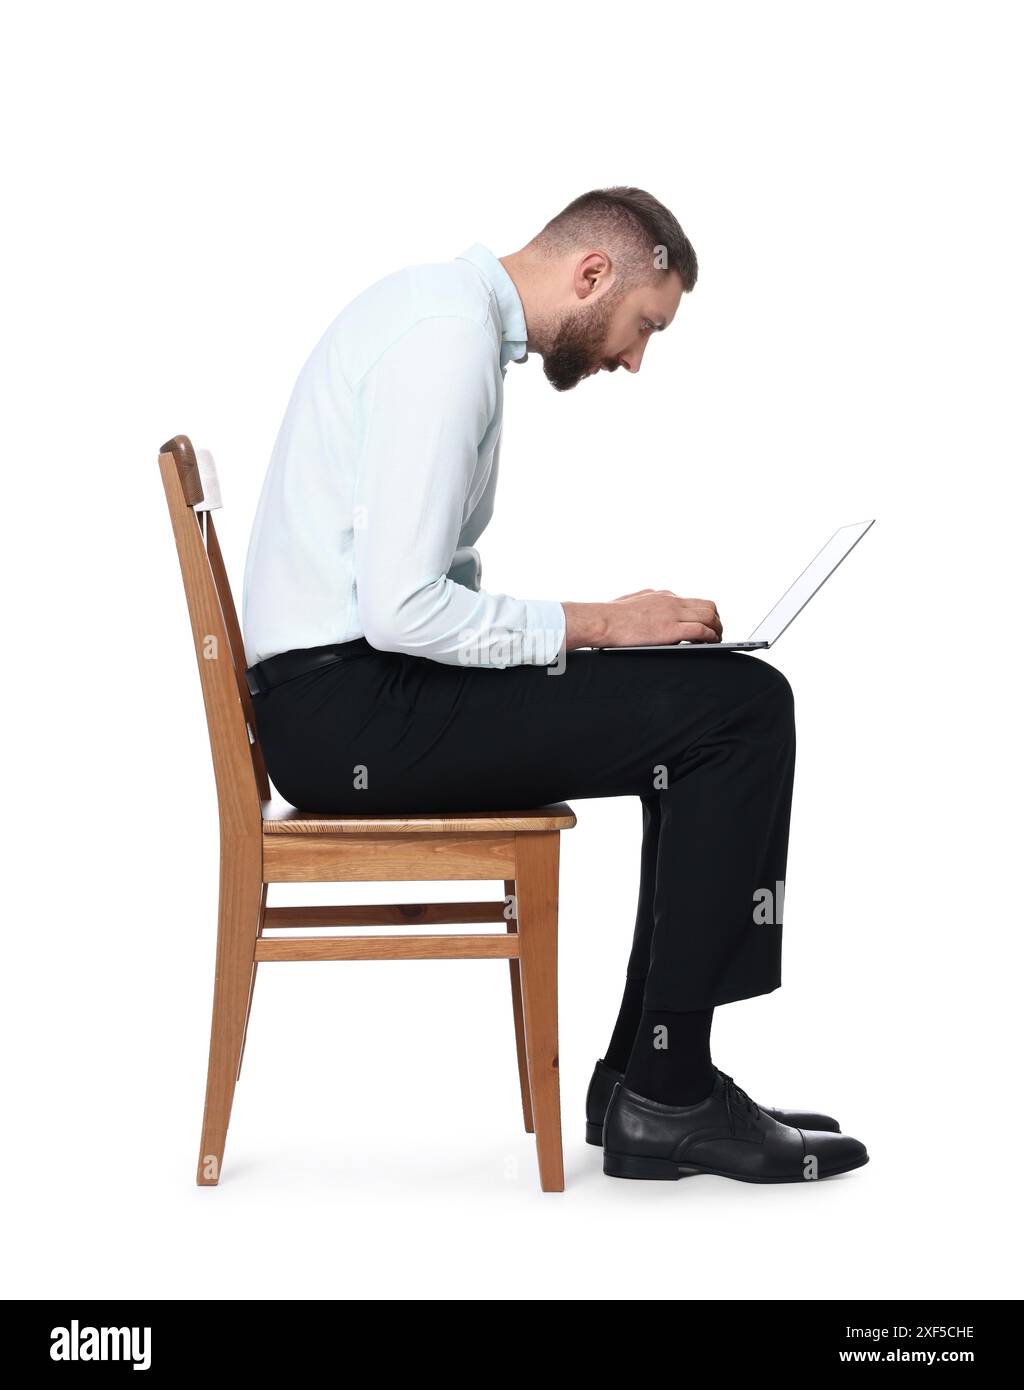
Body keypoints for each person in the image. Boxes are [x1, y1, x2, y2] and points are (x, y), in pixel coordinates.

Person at [241, 187, 869, 1184]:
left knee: (701, 695)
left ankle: (646, 1075)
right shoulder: (444, 344)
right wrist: (596, 624)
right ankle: (668, 1090)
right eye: (642, 325)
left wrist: (598, 649)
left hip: (351, 701)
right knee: (741, 711)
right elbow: (403, 610)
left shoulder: (446, 324)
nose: (634, 358)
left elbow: (416, 599)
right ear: (591, 276)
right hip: (348, 717)